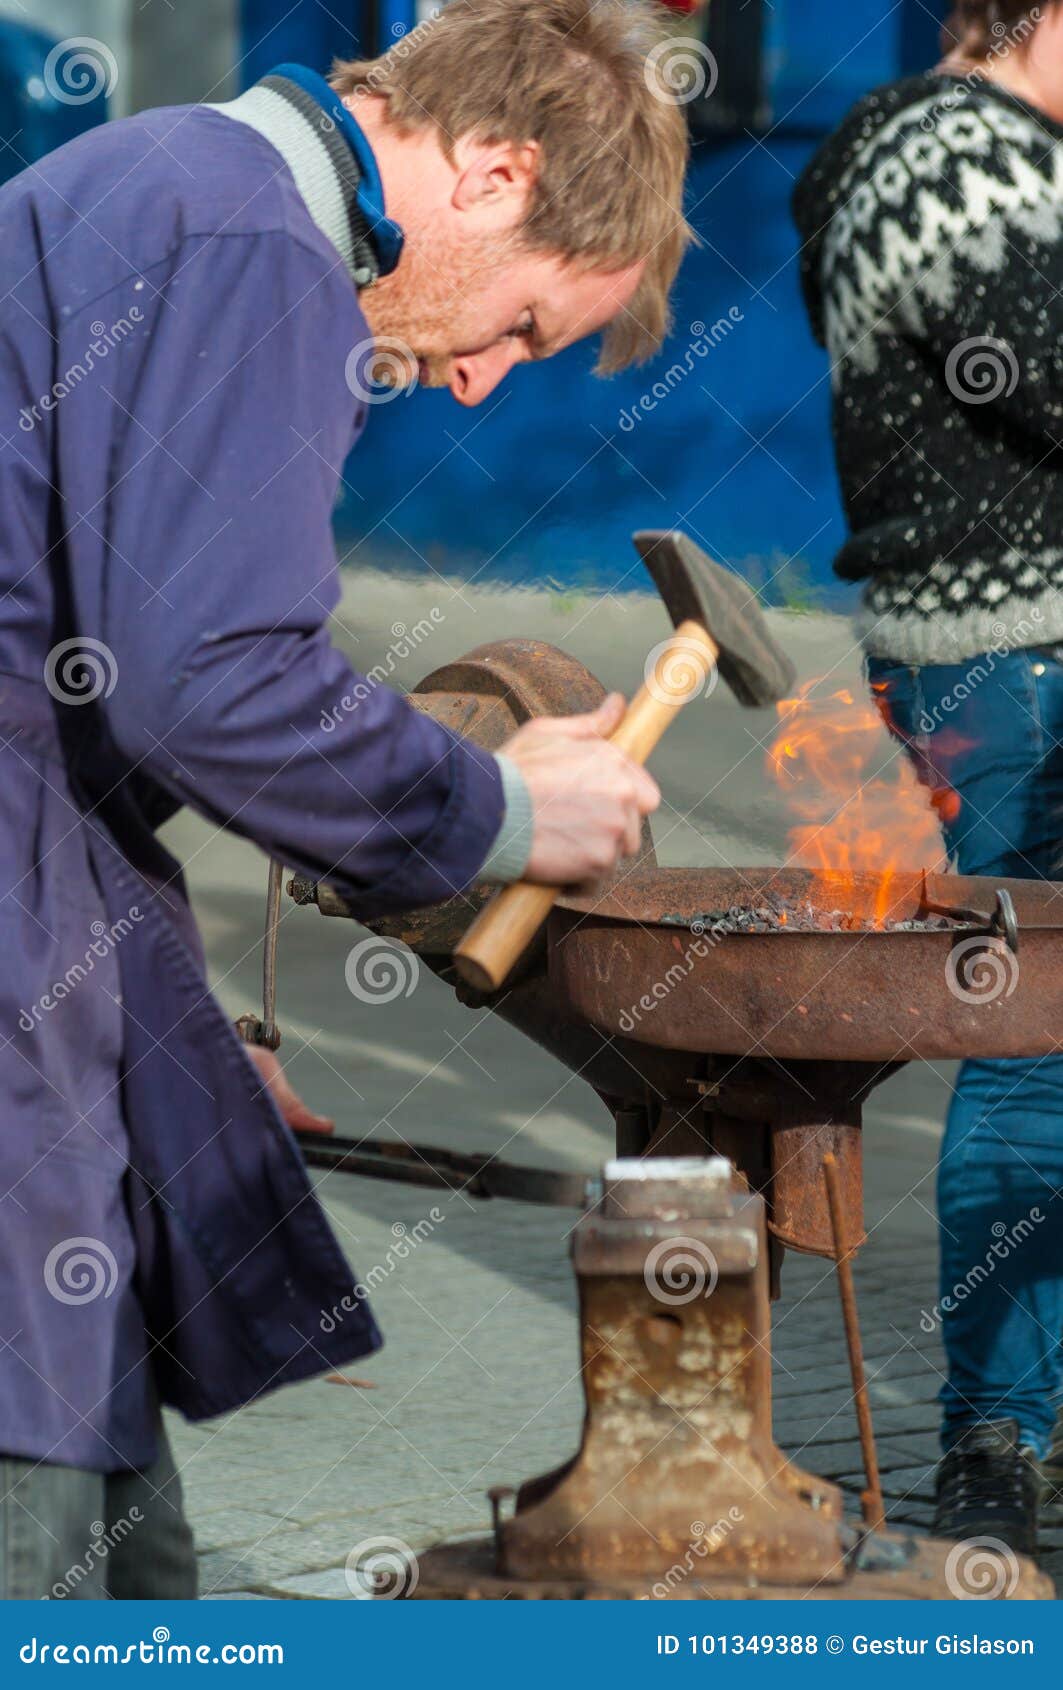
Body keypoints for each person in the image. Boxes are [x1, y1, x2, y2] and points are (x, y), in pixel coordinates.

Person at [0, 0, 691, 1597]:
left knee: (121, 1541)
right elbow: (209, 682)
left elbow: (110, 674)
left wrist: (181, 1026)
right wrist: (498, 816)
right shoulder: (259, 250)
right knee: (45, 1498)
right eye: (525, 324)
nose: (482, 383)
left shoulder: (176, 180)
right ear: (499, 173)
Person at [794, 0, 1063, 1557]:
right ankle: (991, 1445)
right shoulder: (946, 150)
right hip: (1017, 666)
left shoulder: (996, 149)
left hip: (1010, 662)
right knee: (1034, 1040)